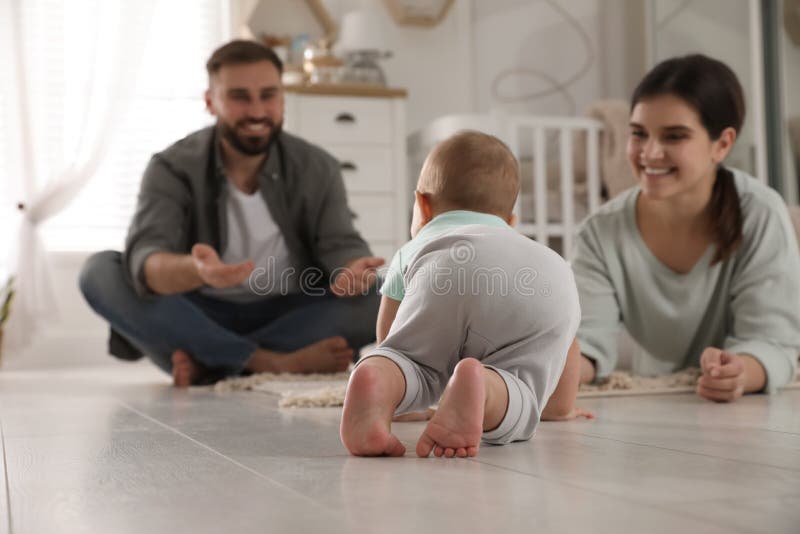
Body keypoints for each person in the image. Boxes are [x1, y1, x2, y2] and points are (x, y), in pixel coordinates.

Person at [79, 40, 382, 386]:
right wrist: (197, 271)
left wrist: (353, 269)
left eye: (268, 95)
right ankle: (267, 361)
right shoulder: (171, 167)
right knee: (99, 272)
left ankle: (212, 362)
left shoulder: (319, 167)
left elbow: (340, 243)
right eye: (240, 97)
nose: (256, 111)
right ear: (211, 102)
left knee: (387, 294)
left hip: (288, 311)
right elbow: (147, 262)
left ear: (282, 99)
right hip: (199, 313)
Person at [340, 131, 591, 459]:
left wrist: (395, 371)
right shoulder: (530, 251)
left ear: (422, 206)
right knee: (518, 385)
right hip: (548, 277)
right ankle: (483, 387)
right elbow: (565, 343)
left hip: (445, 270)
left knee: (407, 361)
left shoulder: (421, 245)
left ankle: (376, 383)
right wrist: (560, 408)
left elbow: (390, 335)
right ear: (511, 221)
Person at [573, 54, 800, 402]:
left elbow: (773, 340)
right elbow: (589, 342)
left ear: (722, 144)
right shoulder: (598, 233)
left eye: (674, 136)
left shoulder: (761, 213)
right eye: (638, 134)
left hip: (749, 410)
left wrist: (738, 372)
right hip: (653, 405)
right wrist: (550, 370)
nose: (650, 152)